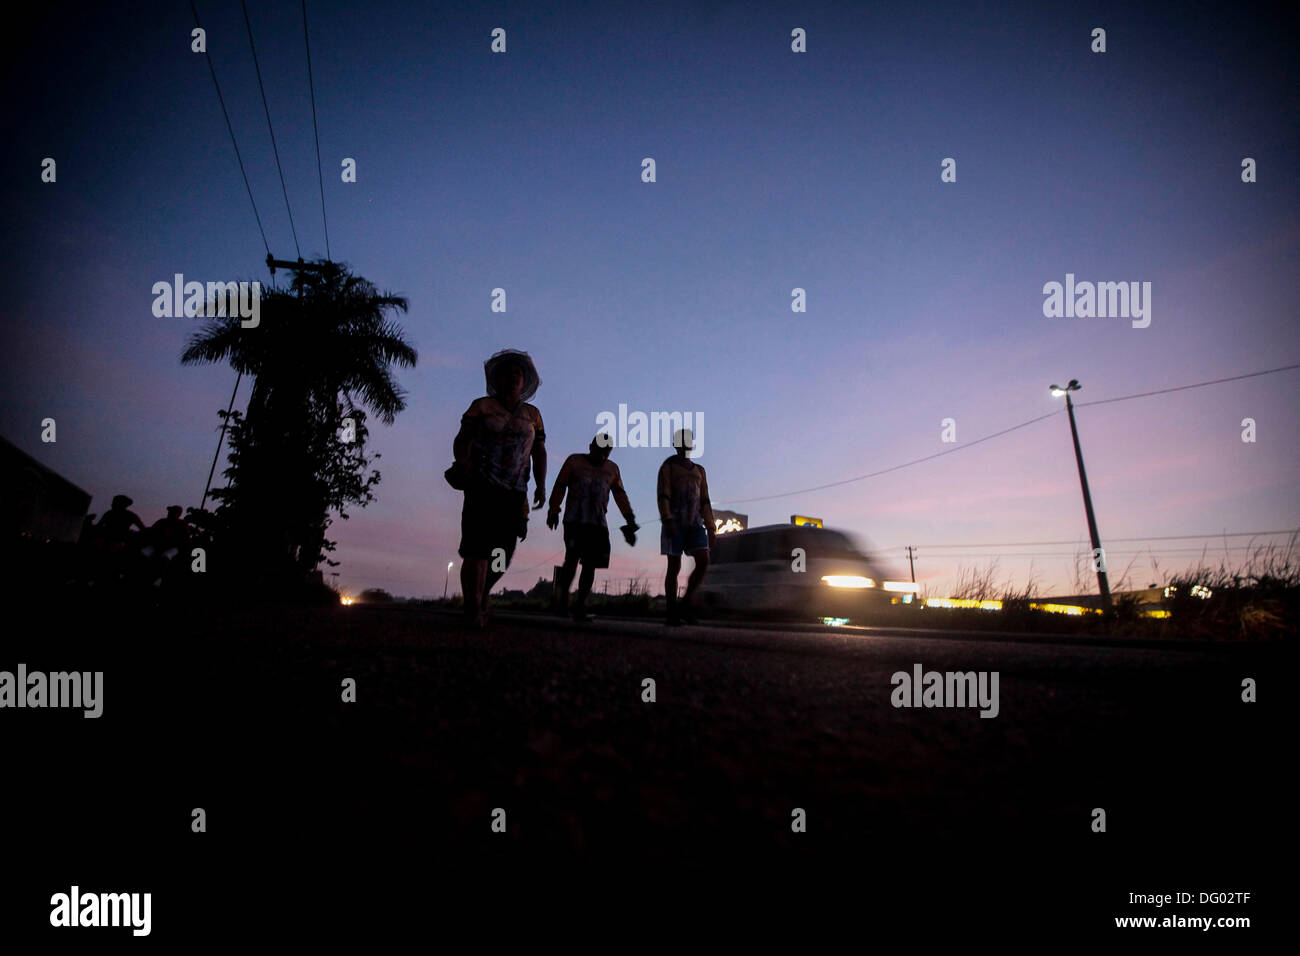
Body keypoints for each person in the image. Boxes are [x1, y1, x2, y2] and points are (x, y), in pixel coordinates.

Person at [452, 349, 547, 629]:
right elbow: (462, 439)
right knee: (476, 549)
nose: (514, 377)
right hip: (481, 486)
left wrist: (541, 484)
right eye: (508, 372)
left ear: (524, 381)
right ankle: (472, 608)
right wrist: (463, 459)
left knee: (501, 553)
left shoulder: (533, 414)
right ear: (498, 378)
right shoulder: (480, 407)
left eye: (518, 373)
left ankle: (483, 592)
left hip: (514, 492)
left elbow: (539, 451)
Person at [547, 433, 638, 622]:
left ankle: (580, 606)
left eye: (607, 452)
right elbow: (560, 485)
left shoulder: (612, 469)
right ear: (591, 447)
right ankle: (563, 602)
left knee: (590, 565)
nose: (602, 456)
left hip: (597, 524)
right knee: (571, 558)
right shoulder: (574, 462)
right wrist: (553, 510)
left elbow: (620, 495)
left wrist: (629, 519)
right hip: (574, 521)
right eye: (599, 451)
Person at [657, 428, 716, 625]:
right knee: (674, 565)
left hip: (695, 523)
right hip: (674, 522)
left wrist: (711, 526)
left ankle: (686, 602)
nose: (685, 445)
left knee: (703, 560)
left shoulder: (700, 470)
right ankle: (672, 611)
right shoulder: (668, 466)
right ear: (676, 445)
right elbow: (663, 493)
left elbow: (705, 499)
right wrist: (667, 518)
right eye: (681, 442)